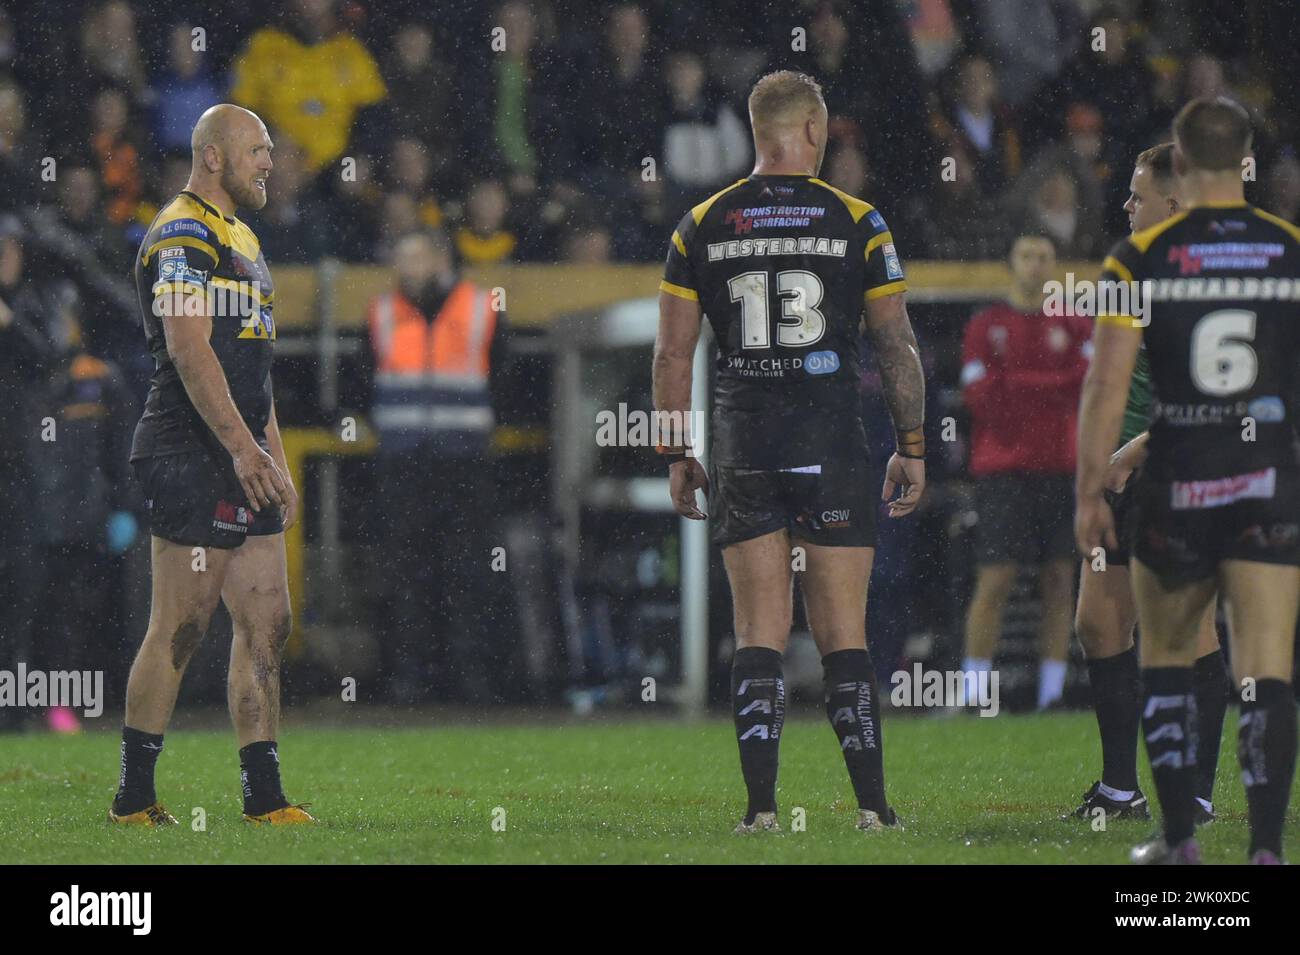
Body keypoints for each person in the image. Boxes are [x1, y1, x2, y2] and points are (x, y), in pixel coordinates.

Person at [654, 71, 924, 833]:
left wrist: (678, 449)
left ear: (755, 129)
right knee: (845, 632)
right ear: (813, 129)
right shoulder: (859, 219)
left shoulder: (701, 222)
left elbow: (673, 356)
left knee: (758, 629)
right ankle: (873, 808)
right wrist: (913, 445)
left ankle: (761, 810)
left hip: (746, 445)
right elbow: (895, 342)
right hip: (834, 443)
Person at [1077, 97, 1300, 865]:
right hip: (1267, 480)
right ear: (1243, 157)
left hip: (1179, 482)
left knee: (1167, 652)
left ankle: (1178, 840)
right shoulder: (1288, 249)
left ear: (1181, 157)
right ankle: (1267, 849)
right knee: (1265, 662)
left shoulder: (1138, 259)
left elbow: (1105, 390)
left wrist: (1091, 484)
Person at [110, 104, 311, 826]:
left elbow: (254, 371)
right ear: (214, 157)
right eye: (257, 149)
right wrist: (240, 448)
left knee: (267, 619)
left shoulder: (246, 240)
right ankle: (133, 798)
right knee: (184, 622)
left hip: (242, 449)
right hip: (189, 447)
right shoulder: (180, 233)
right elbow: (190, 350)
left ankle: (265, 798)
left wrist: (273, 462)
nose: (269, 162)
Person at [1069, 143, 1227, 824]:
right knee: (1100, 624)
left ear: (1174, 200)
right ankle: (1118, 790)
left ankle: (1192, 793)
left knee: (1185, 631)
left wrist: (1134, 446)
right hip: (1124, 473)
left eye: (1137, 194)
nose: (1127, 205)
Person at [363, 228, 509, 702]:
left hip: (465, 462)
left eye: (418, 256)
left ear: (442, 259)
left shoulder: (482, 308)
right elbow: (360, 378)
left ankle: (471, 678)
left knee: (468, 571)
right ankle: (411, 678)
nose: (409, 268)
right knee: (407, 572)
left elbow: (507, 375)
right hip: (403, 462)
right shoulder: (382, 312)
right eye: (402, 258)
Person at [959, 232, 1092, 710]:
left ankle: (1051, 695)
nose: (1035, 265)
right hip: (1003, 470)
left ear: (1054, 265)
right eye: (1027, 256)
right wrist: (1049, 388)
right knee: (995, 579)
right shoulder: (986, 324)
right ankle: (974, 693)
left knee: (1061, 579)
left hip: (1061, 467)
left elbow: (1086, 386)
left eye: (1044, 257)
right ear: (1011, 263)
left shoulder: (1075, 323)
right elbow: (980, 397)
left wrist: (1017, 385)